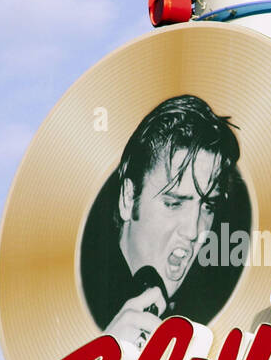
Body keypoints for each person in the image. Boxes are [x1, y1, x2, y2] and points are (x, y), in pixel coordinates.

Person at [80, 94, 246, 347]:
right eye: (174, 203)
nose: (194, 230)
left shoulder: (209, 310)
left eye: (208, 206)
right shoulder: (74, 304)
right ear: (127, 198)